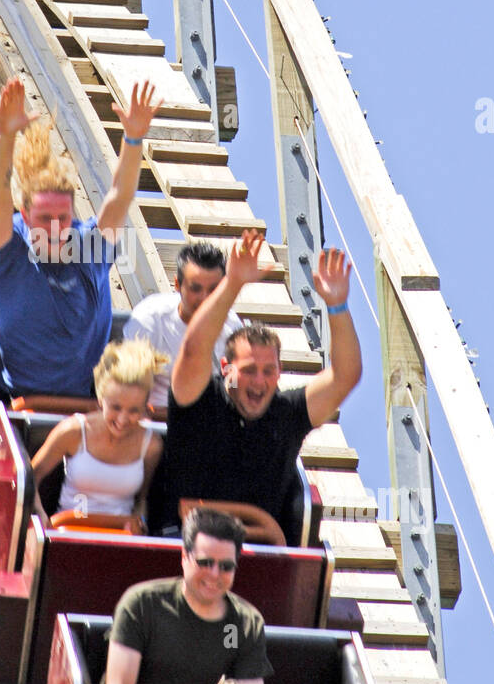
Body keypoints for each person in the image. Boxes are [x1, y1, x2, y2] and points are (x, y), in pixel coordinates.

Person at [151, 229, 362, 540]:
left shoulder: (286, 413)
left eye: (268, 371)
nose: (259, 381)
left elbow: (346, 376)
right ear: (226, 369)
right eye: (249, 370)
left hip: (261, 552)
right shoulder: (199, 399)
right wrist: (233, 282)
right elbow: (194, 348)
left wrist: (336, 306)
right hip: (183, 542)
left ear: (279, 374)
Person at [0, 75, 160, 398]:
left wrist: (133, 139)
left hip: (83, 400)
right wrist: (7, 136)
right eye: (44, 218)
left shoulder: (86, 248)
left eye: (62, 218)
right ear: (24, 213)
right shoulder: (9, 252)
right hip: (19, 398)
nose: (54, 227)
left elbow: (119, 198)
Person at [104, 508, 271, 684]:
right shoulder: (141, 604)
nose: (215, 574)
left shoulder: (247, 623)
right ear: (184, 557)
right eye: (205, 562)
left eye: (226, 566)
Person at [31, 339, 166, 527]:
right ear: (101, 399)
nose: (122, 419)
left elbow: (143, 499)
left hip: (121, 537)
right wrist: (41, 516)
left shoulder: (151, 445)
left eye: (134, 410)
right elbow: (30, 478)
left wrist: (139, 521)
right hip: (70, 530)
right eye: (116, 407)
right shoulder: (73, 432)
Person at [123, 241, 243, 411]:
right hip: (156, 423)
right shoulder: (149, 319)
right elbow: (128, 389)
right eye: (195, 288)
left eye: (213, 289)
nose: (204, 298)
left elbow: (236, 388)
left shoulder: (232, 326)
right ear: (177, 285)